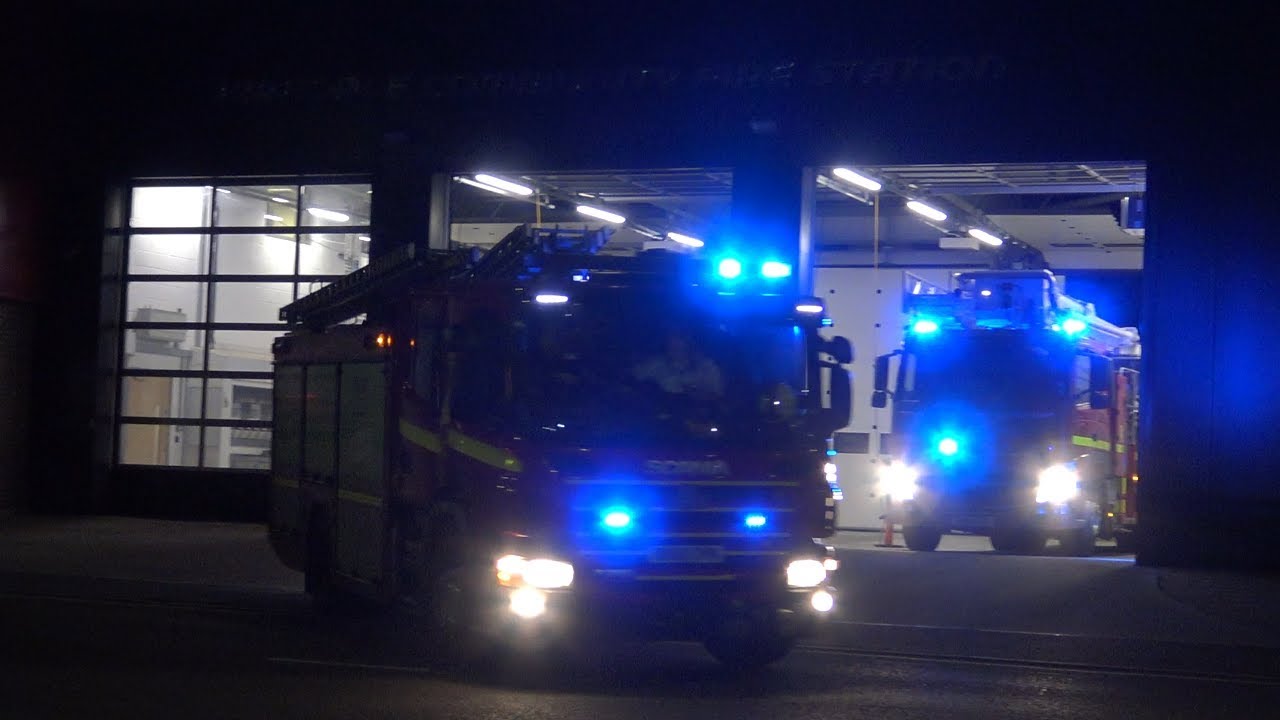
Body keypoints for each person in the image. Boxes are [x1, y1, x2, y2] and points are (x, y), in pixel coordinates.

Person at [632, 326, 724, 398]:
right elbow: (632, 381)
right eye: (670, 338)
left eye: (680, 338)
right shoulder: (655, 364)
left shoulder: (707, 367)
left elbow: (718, 397)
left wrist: (699, 394)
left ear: (689, 341)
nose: (673, 344)